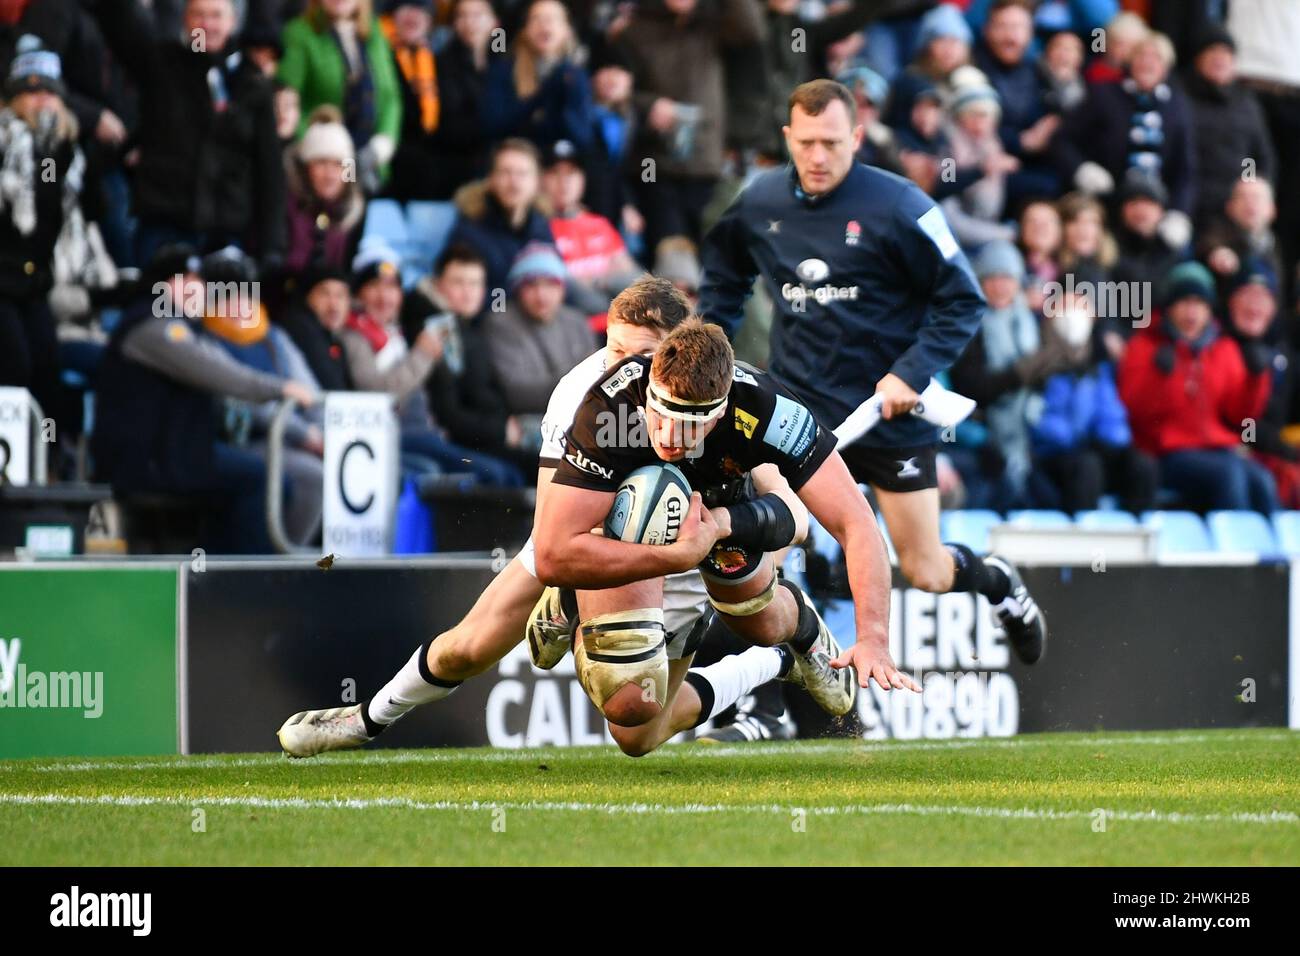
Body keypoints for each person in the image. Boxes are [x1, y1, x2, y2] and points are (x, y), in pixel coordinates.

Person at [278, 277, 822, 758]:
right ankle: (363, 720)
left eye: (639, 356)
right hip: (592, 541)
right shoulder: (581, 397)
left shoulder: (723, 395)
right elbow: (554, 537)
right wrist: (573, 587)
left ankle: (773, 654)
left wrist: (728, 543)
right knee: (469, 646)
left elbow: (793, 518)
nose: (621, 367)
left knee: (637, 734)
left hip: (695, 550)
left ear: (676, 356)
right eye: (613, 349)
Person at [699, 79, 1047, 664]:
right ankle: (756, 707)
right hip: (799, 415)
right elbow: (723, 285)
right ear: (787, 136)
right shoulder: (758, 202)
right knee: (767, 552)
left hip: (890, 413)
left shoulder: (903, 205)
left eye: (831, 143)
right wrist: (711, 357)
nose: (816, 156)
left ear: (856, 138)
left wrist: (911, 373)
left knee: (927, 569)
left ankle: (996, 581)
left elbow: (962, 299)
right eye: (805, 142)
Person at [532, 318, 907, 734]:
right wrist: (676, 555)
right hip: (628, 527)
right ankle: (573, 599)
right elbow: (550, 554)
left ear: (722, 411)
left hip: (719, 512)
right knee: (631, 718)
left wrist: (873, 635)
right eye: (661, 414)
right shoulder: (612, 403)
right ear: (649, 393)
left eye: (691, 422)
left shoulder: (767, 409)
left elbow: (856, 522)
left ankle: (796, 634)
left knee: (760, 624)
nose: (671, 435)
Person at [93, 245, 316, 554]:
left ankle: (219, 568)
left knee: (264, 478)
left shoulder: (181, 326)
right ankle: (236, 580)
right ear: (165, 285)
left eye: (199, 281)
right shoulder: (153, 327)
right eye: (188, 280)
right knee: (264, 482)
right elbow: (218, 373)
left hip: (177, 452)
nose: (198, 290)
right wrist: (279, 388)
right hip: (149, 459)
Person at [91, 0, 286, 267]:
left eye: (216, 16)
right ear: (184, 20)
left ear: (232, 22)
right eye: (198, 15)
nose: (207, 25)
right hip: (164, 226)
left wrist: (272, 245)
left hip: (226, 233)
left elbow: (270, 169)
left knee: (224, 310)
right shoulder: (160, 64)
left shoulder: (252, 83)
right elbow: (119, 22)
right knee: (159, 309)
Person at [1118, 261, 1277, 515]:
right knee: (1229, 475)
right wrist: (1159, 377)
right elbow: (1134, 412)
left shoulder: (1224, 348)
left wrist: (1257, 380)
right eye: (1184, 302)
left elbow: (1242, 417)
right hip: (1168, 453)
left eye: (1199, 304)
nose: (1191, 312)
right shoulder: (1145, 346)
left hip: (1219, 448)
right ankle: (1236, 553)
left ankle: (1277, 554)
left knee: (1263, 480)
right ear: (1170, 306)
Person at [401, 243, 534, 474]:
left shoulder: (467, 325)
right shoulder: (438, 329)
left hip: (492, 432)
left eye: (475, 284)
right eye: (458, 282)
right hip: (467, 442)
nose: (468, 292)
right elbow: (448, 413)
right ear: (438, 284)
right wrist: (500, 430)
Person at [279, 0, 402, 194]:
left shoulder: (374, 30)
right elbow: (287, 99)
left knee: (364, 212)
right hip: (324, 163)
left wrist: (383, 143)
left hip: (369, 161)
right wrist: (315, 151)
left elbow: (390, 96)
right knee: (338, 213)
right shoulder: (300, 32)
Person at [485, 242, 598, 416]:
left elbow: (599, 379)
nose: (541, 295)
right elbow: (518, 395)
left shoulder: (577, 321)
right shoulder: (500, 323)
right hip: (534, 421)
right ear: (518, 290)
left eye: (550, 284)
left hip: (584, 414)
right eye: (531, 285)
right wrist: (581, 379)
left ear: (562, 289)